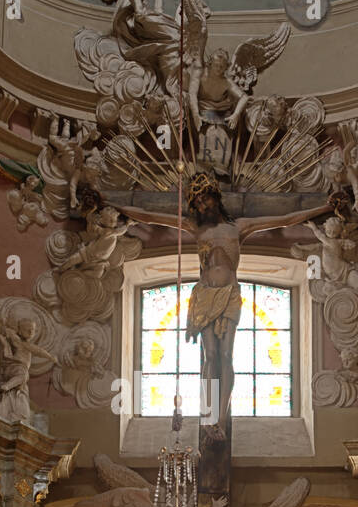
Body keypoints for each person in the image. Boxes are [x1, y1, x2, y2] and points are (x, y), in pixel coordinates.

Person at [120, 172, 334, 436]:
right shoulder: (195, 227)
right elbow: (150, 216)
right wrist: (114, 207)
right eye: (196, 203)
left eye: (203, 199)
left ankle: (220, 417)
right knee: (210, 356)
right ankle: (209, 415)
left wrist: (326, 207)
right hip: (204, 295)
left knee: (225, 356)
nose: (201, 207)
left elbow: (286, 218)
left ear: (215, 197)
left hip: (230, 294)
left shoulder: (238, 227)